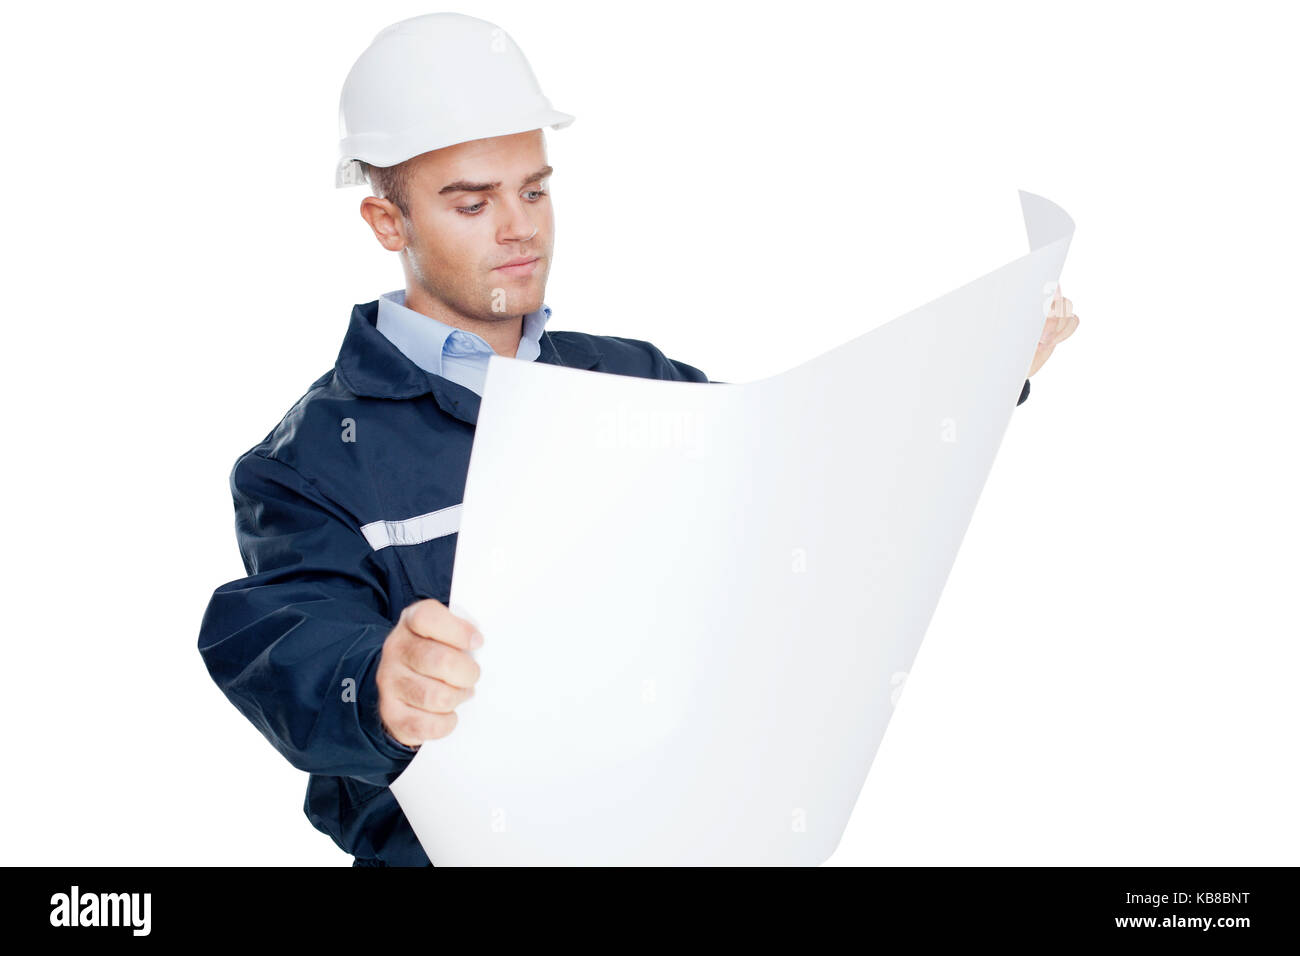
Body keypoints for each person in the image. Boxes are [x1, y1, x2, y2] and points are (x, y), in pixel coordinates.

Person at [196, 12, 1077, 867]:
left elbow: (804, 464)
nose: (519, 228)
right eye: (472, 202)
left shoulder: (633, 379)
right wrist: (377, 680)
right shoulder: (310, 463)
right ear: (389, 225)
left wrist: (983, 375)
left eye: (534, 190)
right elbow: (281, 638)